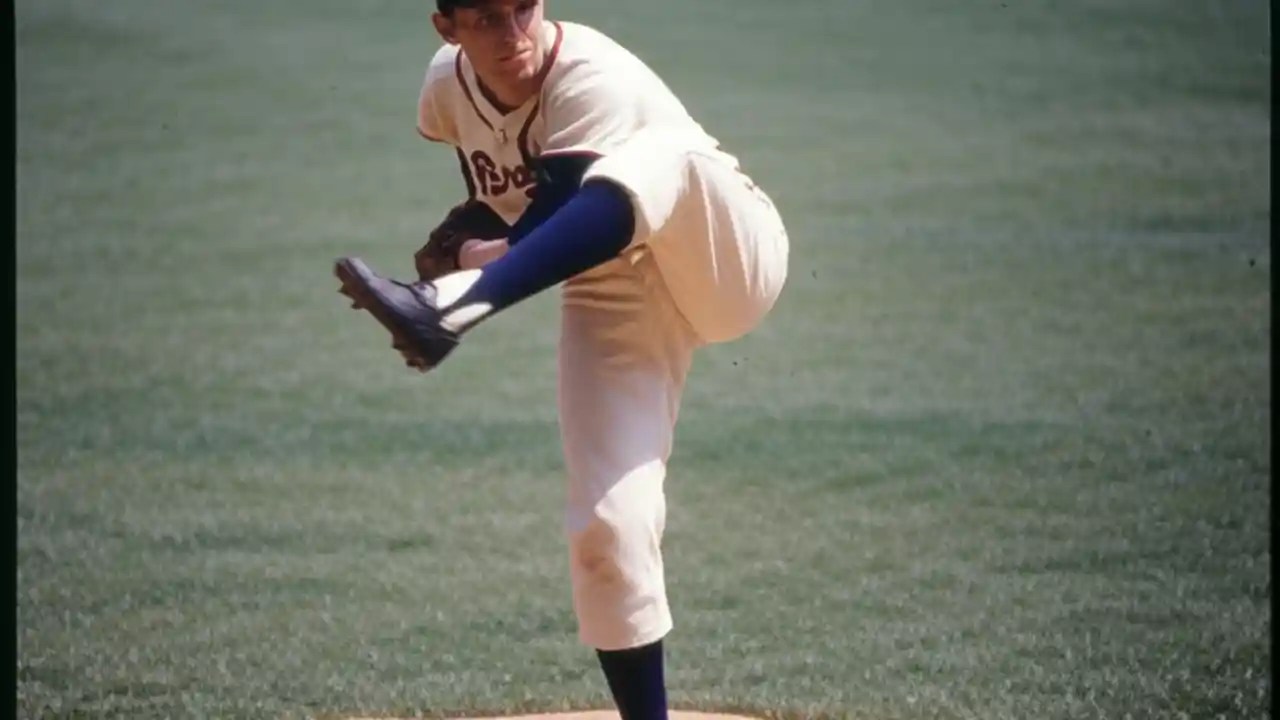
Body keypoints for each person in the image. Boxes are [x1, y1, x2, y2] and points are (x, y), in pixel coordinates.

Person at [334, 1, 789, 717]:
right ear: (446, 27)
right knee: (607, 528)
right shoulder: (445, 90)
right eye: (485, 17)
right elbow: (508, 205)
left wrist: (464, 266)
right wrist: (460, 249)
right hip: (613, 282)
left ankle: (451, 310)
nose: (512, 33)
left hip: (723, 248)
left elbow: (554, 216)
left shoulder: (591, 74)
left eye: (524, 7)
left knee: (656, 152)